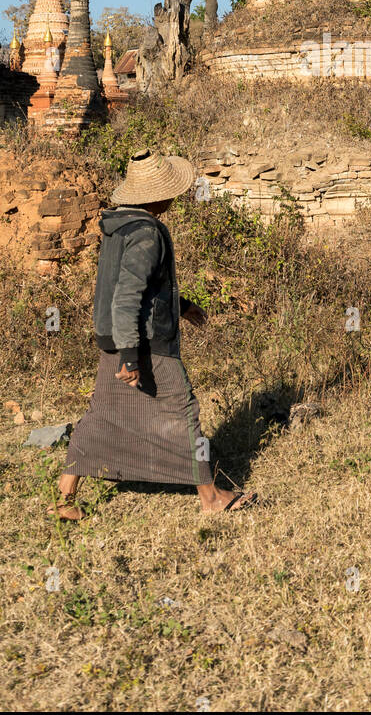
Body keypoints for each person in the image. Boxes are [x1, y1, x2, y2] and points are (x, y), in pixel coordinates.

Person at [52, 149, 257, 519]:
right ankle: (211, 498)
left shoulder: (121, 228)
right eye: (170, 191)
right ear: (156, 196)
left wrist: (182, 306)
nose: (174, 198)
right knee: (184, 411)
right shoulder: (147, 234)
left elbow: (139, 288)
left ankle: (64, 499)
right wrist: (132, 356)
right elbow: (128, 297)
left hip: (114, 337)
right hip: (143, 342)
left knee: (102, 413)